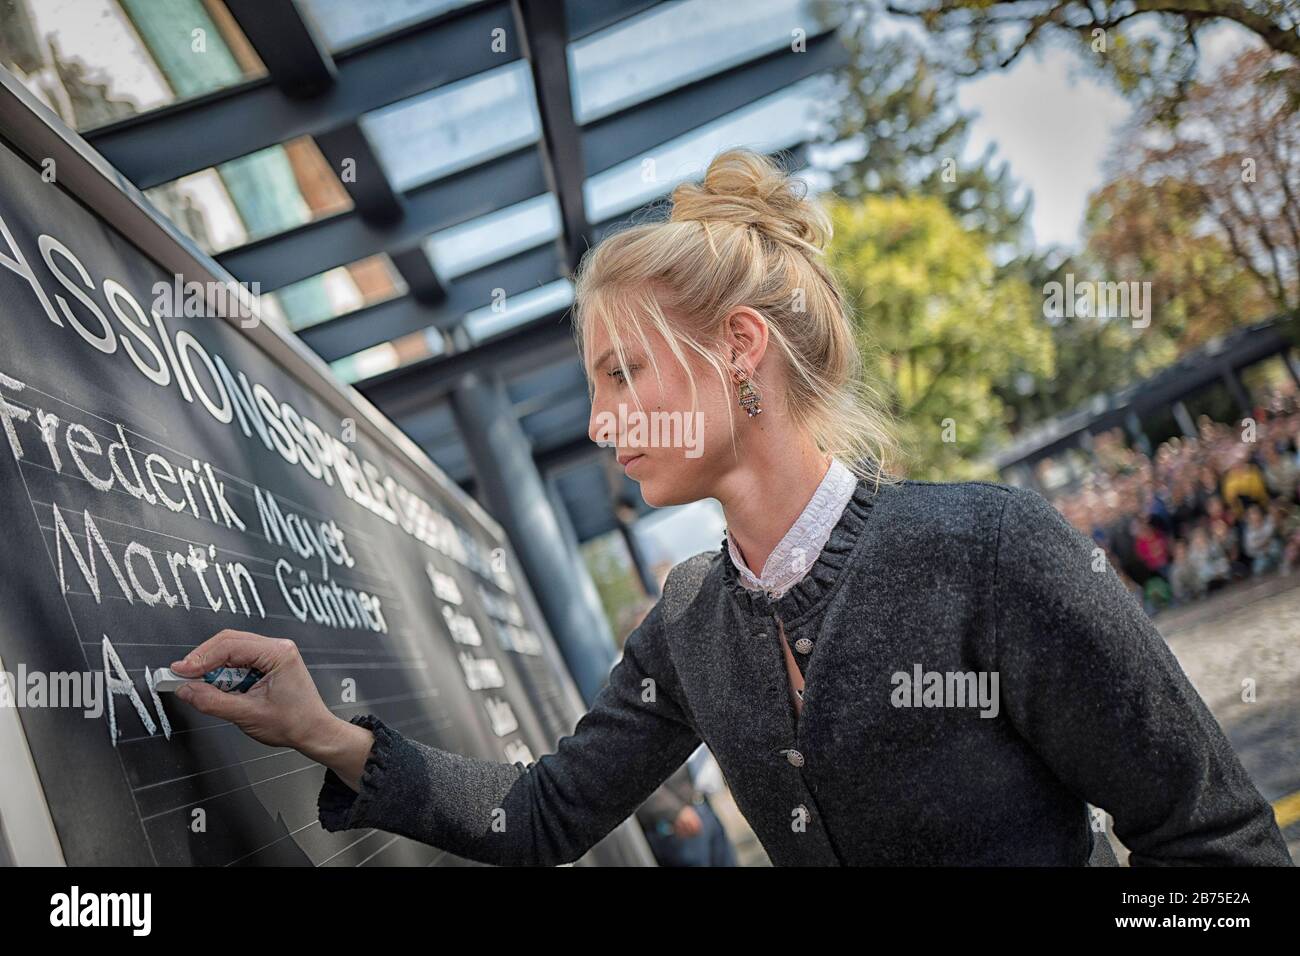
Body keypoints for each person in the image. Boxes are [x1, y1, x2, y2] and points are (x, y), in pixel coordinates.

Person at [169, 149, 1292, 867]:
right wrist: (322, 732)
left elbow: (1216, 844)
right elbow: (545, 811)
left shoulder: (989, 551)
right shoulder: (688, 621)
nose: (600, 422)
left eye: (623, 373)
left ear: (739, 348)